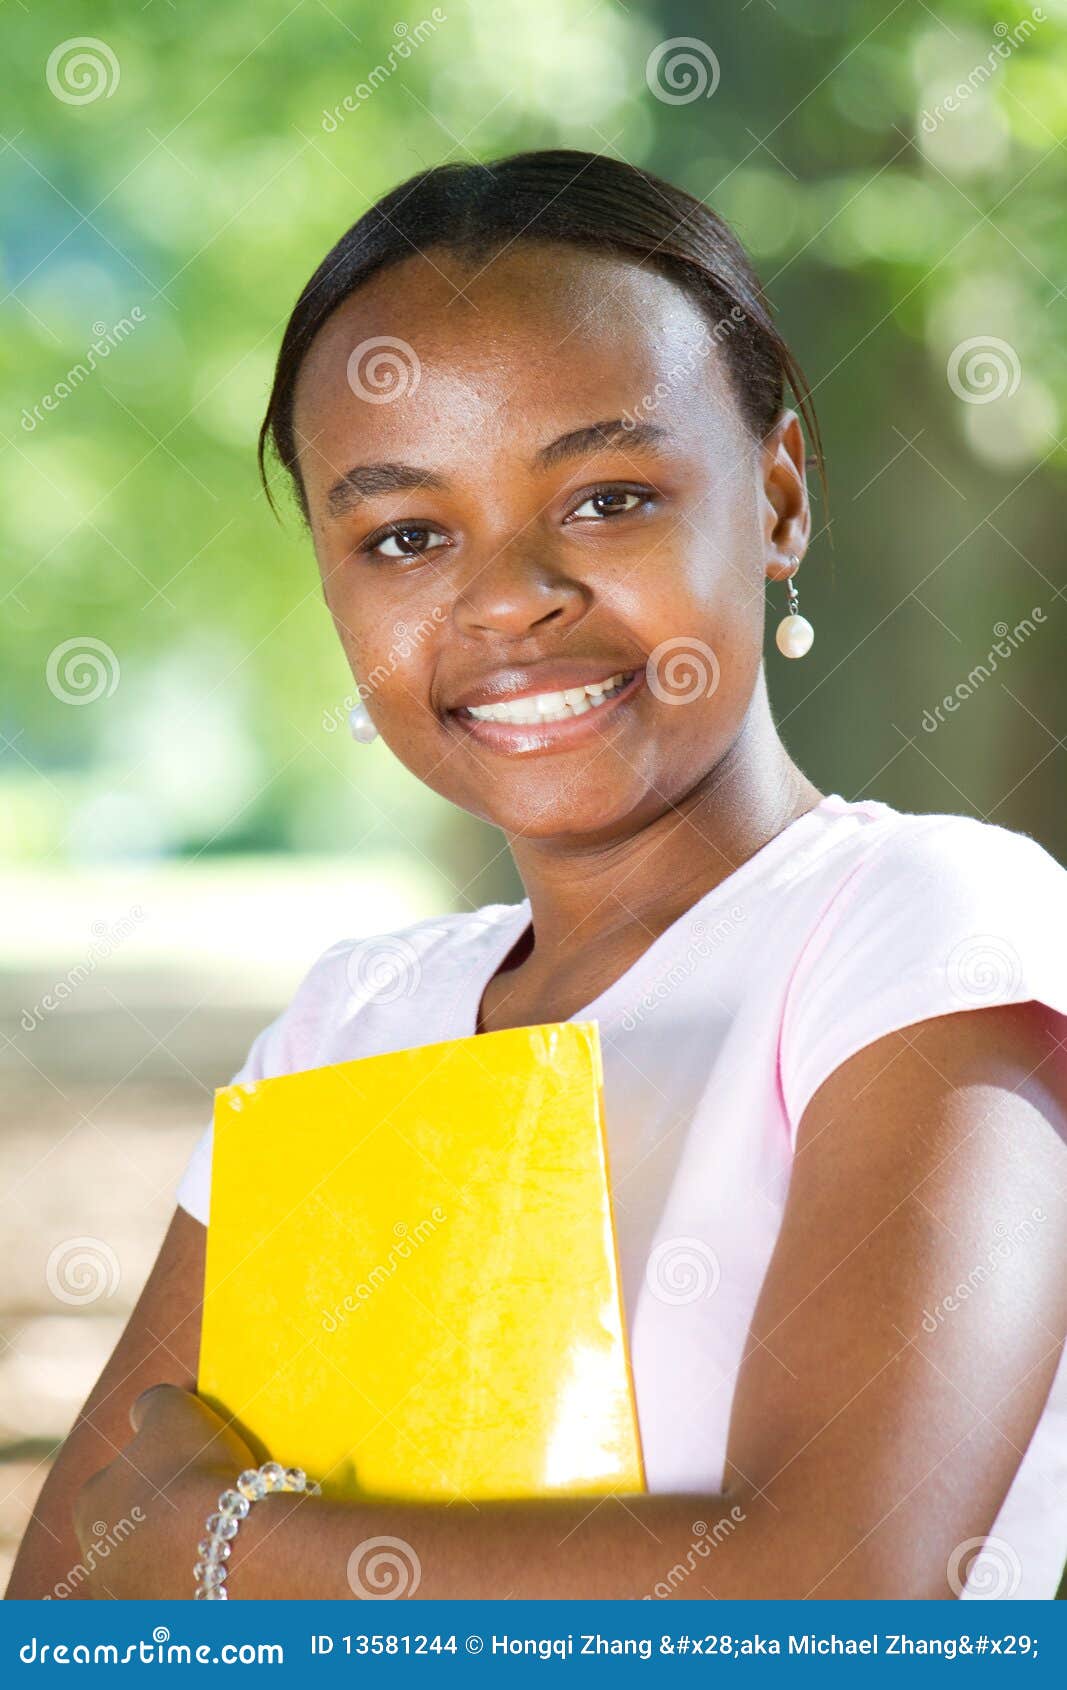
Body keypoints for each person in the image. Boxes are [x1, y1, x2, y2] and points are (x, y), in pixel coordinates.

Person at [7, 149, 1066, 1603]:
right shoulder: (346, 1024)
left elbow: (834, 1600)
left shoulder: (927, 927)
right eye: (407, 536)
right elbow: (65, 1607)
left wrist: (229, 1539)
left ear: (778, 499)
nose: (507, 594)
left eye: (608, 497)